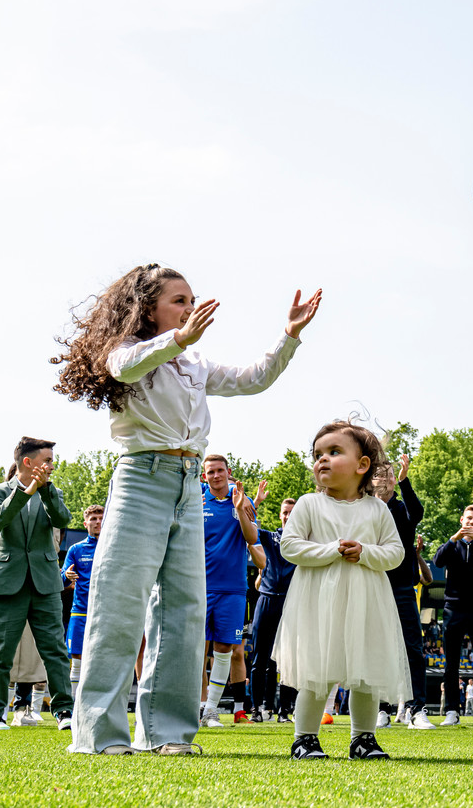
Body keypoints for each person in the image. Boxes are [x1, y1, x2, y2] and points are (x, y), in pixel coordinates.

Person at [55, 263, 321, 756]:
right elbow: (125, 367)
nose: (190, 307)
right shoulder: (128, 352)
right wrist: (178, 337)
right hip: (141, 479)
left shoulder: (193, 363)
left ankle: (168, 733)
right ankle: (98, 735)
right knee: (118, 607)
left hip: (188, 485)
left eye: (191, 299)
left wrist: (288, 336)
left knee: (184, 611)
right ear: (147, 307)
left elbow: (253, 379)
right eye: (179, 300)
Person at [274, 422, 407, 760]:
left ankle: (363, 739)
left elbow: (395, 553)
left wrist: (365, 552)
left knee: (367, 672)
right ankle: (304, 738)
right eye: (317, 454)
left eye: (333, 452)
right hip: (319, 601)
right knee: (317, 672)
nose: (322, 460)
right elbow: (289, 546)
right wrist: (330, 550)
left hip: (366, 602)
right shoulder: (308, 505)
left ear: (362, 465)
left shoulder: (376, 509)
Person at [0, 437, 76, 732]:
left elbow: (63, 518)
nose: (52, 465)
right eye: (47, 460)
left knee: (56, 651)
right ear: (28, 463)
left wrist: (44, 493)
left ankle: (64, 711)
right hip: (8, 581)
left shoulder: (50, 492)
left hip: (45, 581)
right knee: (0, 651)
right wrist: (24, 491)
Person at [197, 455, 260, 728]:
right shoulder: (195, 501)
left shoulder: (242, 501)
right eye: (210, 472)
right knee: (197, 649)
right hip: (198, 587)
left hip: (233, 589)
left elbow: (252, 538)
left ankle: (211, 709)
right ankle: (197, 706)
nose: (216, 476)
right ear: (204, 476)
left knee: (224, 648)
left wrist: (241, 508)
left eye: (220, 470)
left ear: (228, 472)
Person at [372, 454, 432, 730]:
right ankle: (380, 709)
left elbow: (417, 513)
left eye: (389, 474)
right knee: (377, 649)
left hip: (402, 588)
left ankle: (416, 709)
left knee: (412, 649)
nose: (383, 479)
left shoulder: (402, 508)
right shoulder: (365, 507)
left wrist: (406, 481)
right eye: (378, 474)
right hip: (373, 586)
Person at [434, 505, 473, 727]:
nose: (471, 523)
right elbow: (437, 561)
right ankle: (452, 710)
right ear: (461, 520)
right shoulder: (452, 546)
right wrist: (453, 539)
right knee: (451, 664)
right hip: (453, 610)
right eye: (468, 519)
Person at [249, 499, 299, 724]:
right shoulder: (270, 537)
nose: (288, 516)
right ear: (280, 515)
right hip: (266, 601)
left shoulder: (303, 542)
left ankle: (284, 712)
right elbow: (250, 528)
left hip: (291, 603)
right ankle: (257, 709)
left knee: (289, 660)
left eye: (292, 512)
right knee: (260, 658)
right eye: (285, 513)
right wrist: (253, 504)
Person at [60, 504, 103, 718]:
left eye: (100, 518)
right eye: (93, 519)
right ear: (85, 523)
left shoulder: (114, 546)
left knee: (102, 660)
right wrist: (66, 575)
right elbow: (61, 576)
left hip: (106, 614)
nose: (97, 522)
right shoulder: (76, 549)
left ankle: (99, 707)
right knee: (76, 659)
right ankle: (76, 707)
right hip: (81, 612)